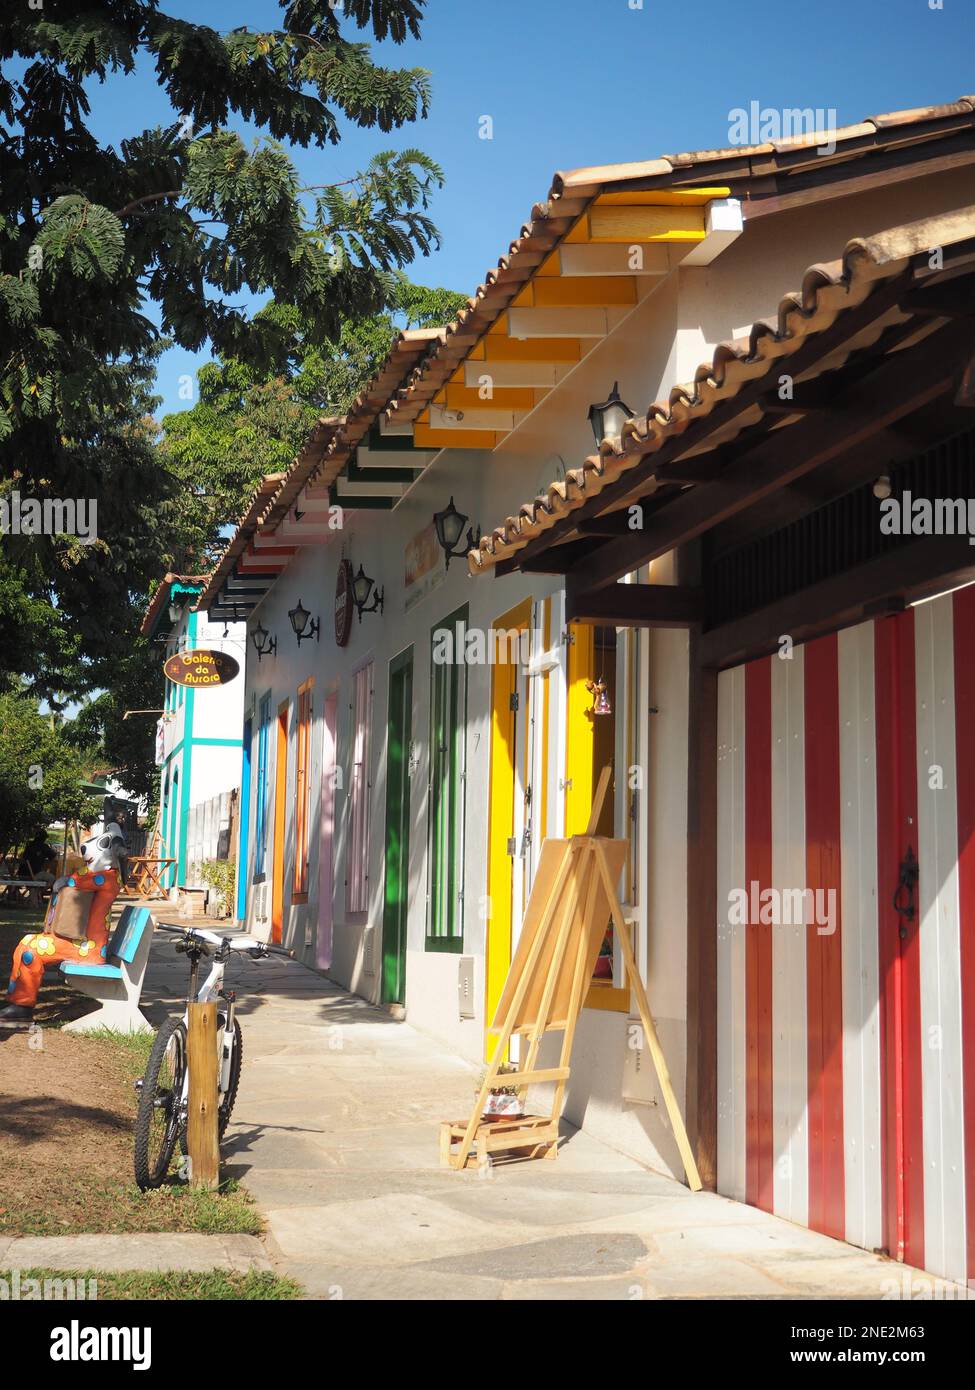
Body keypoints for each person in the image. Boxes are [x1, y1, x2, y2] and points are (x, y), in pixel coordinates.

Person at [0, 824, 127, 1026]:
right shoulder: (108, 876)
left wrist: (66, 880)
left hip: (87, 950)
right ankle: (19, 1004)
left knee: (31, 949)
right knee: (28, 941)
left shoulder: (106, 878)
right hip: (85, 945)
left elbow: (76, 880)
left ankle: (22, 1006)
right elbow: (79, 876)